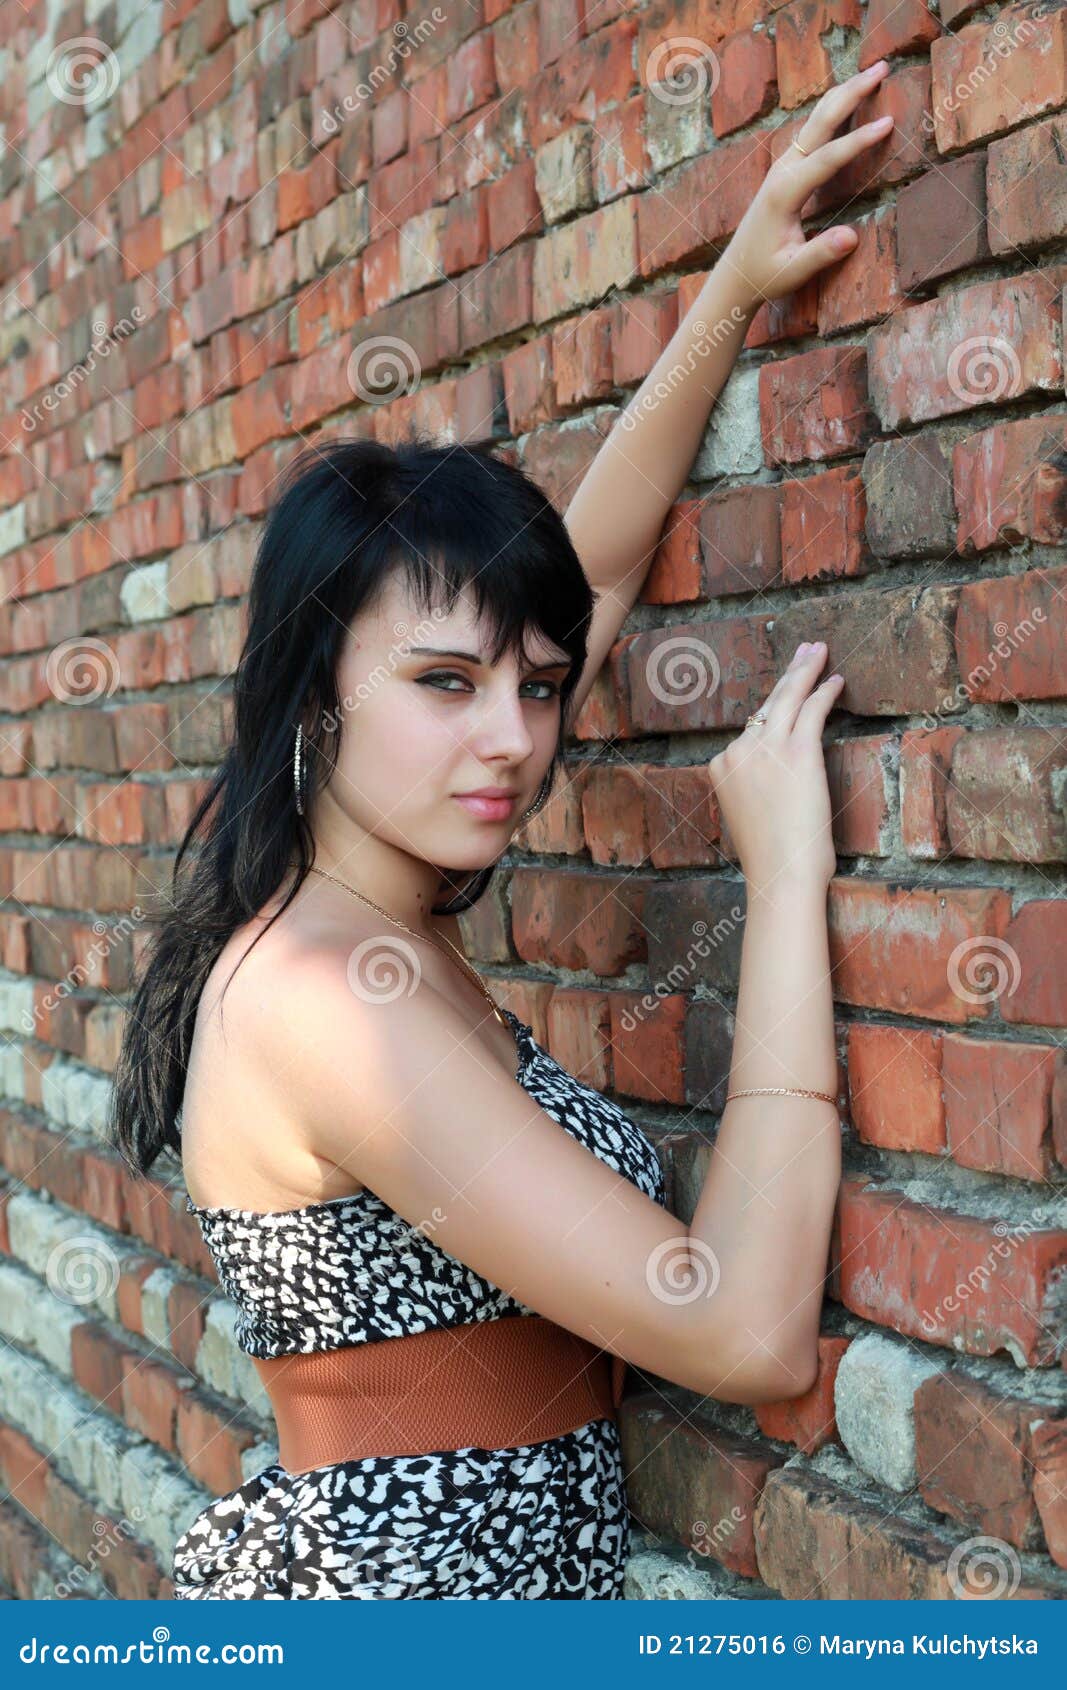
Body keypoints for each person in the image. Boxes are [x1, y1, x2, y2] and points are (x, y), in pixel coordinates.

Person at [107, 63, 894, 1598]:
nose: (517, 737)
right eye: (446, 684)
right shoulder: (327, 998)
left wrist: (730, 295)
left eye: (535, 691)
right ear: (314, 691)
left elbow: (571, 591)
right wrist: (787, 875)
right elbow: (742, 1327)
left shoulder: (364, 920)